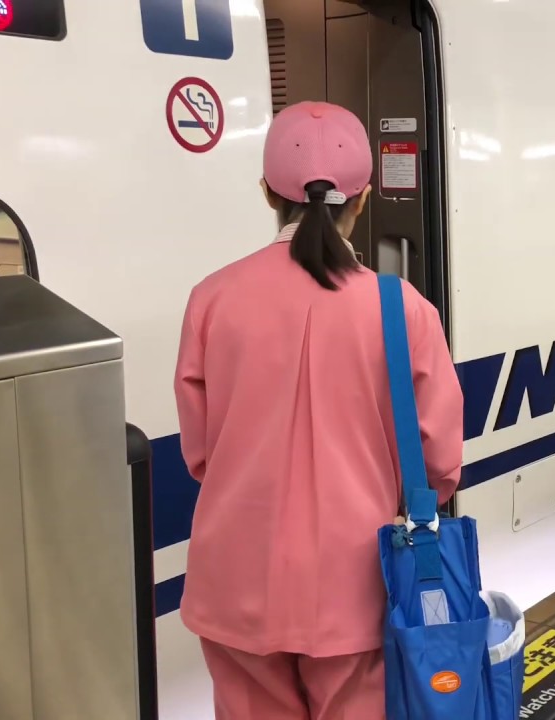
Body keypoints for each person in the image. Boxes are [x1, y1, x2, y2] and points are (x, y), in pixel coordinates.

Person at [173, 100, 464, 720]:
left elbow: (200, 455)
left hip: (235, 572)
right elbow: (438, 462)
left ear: (266, 192)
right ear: (361, 198)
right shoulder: (403, 307)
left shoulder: (212, 297)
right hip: (356, 583)